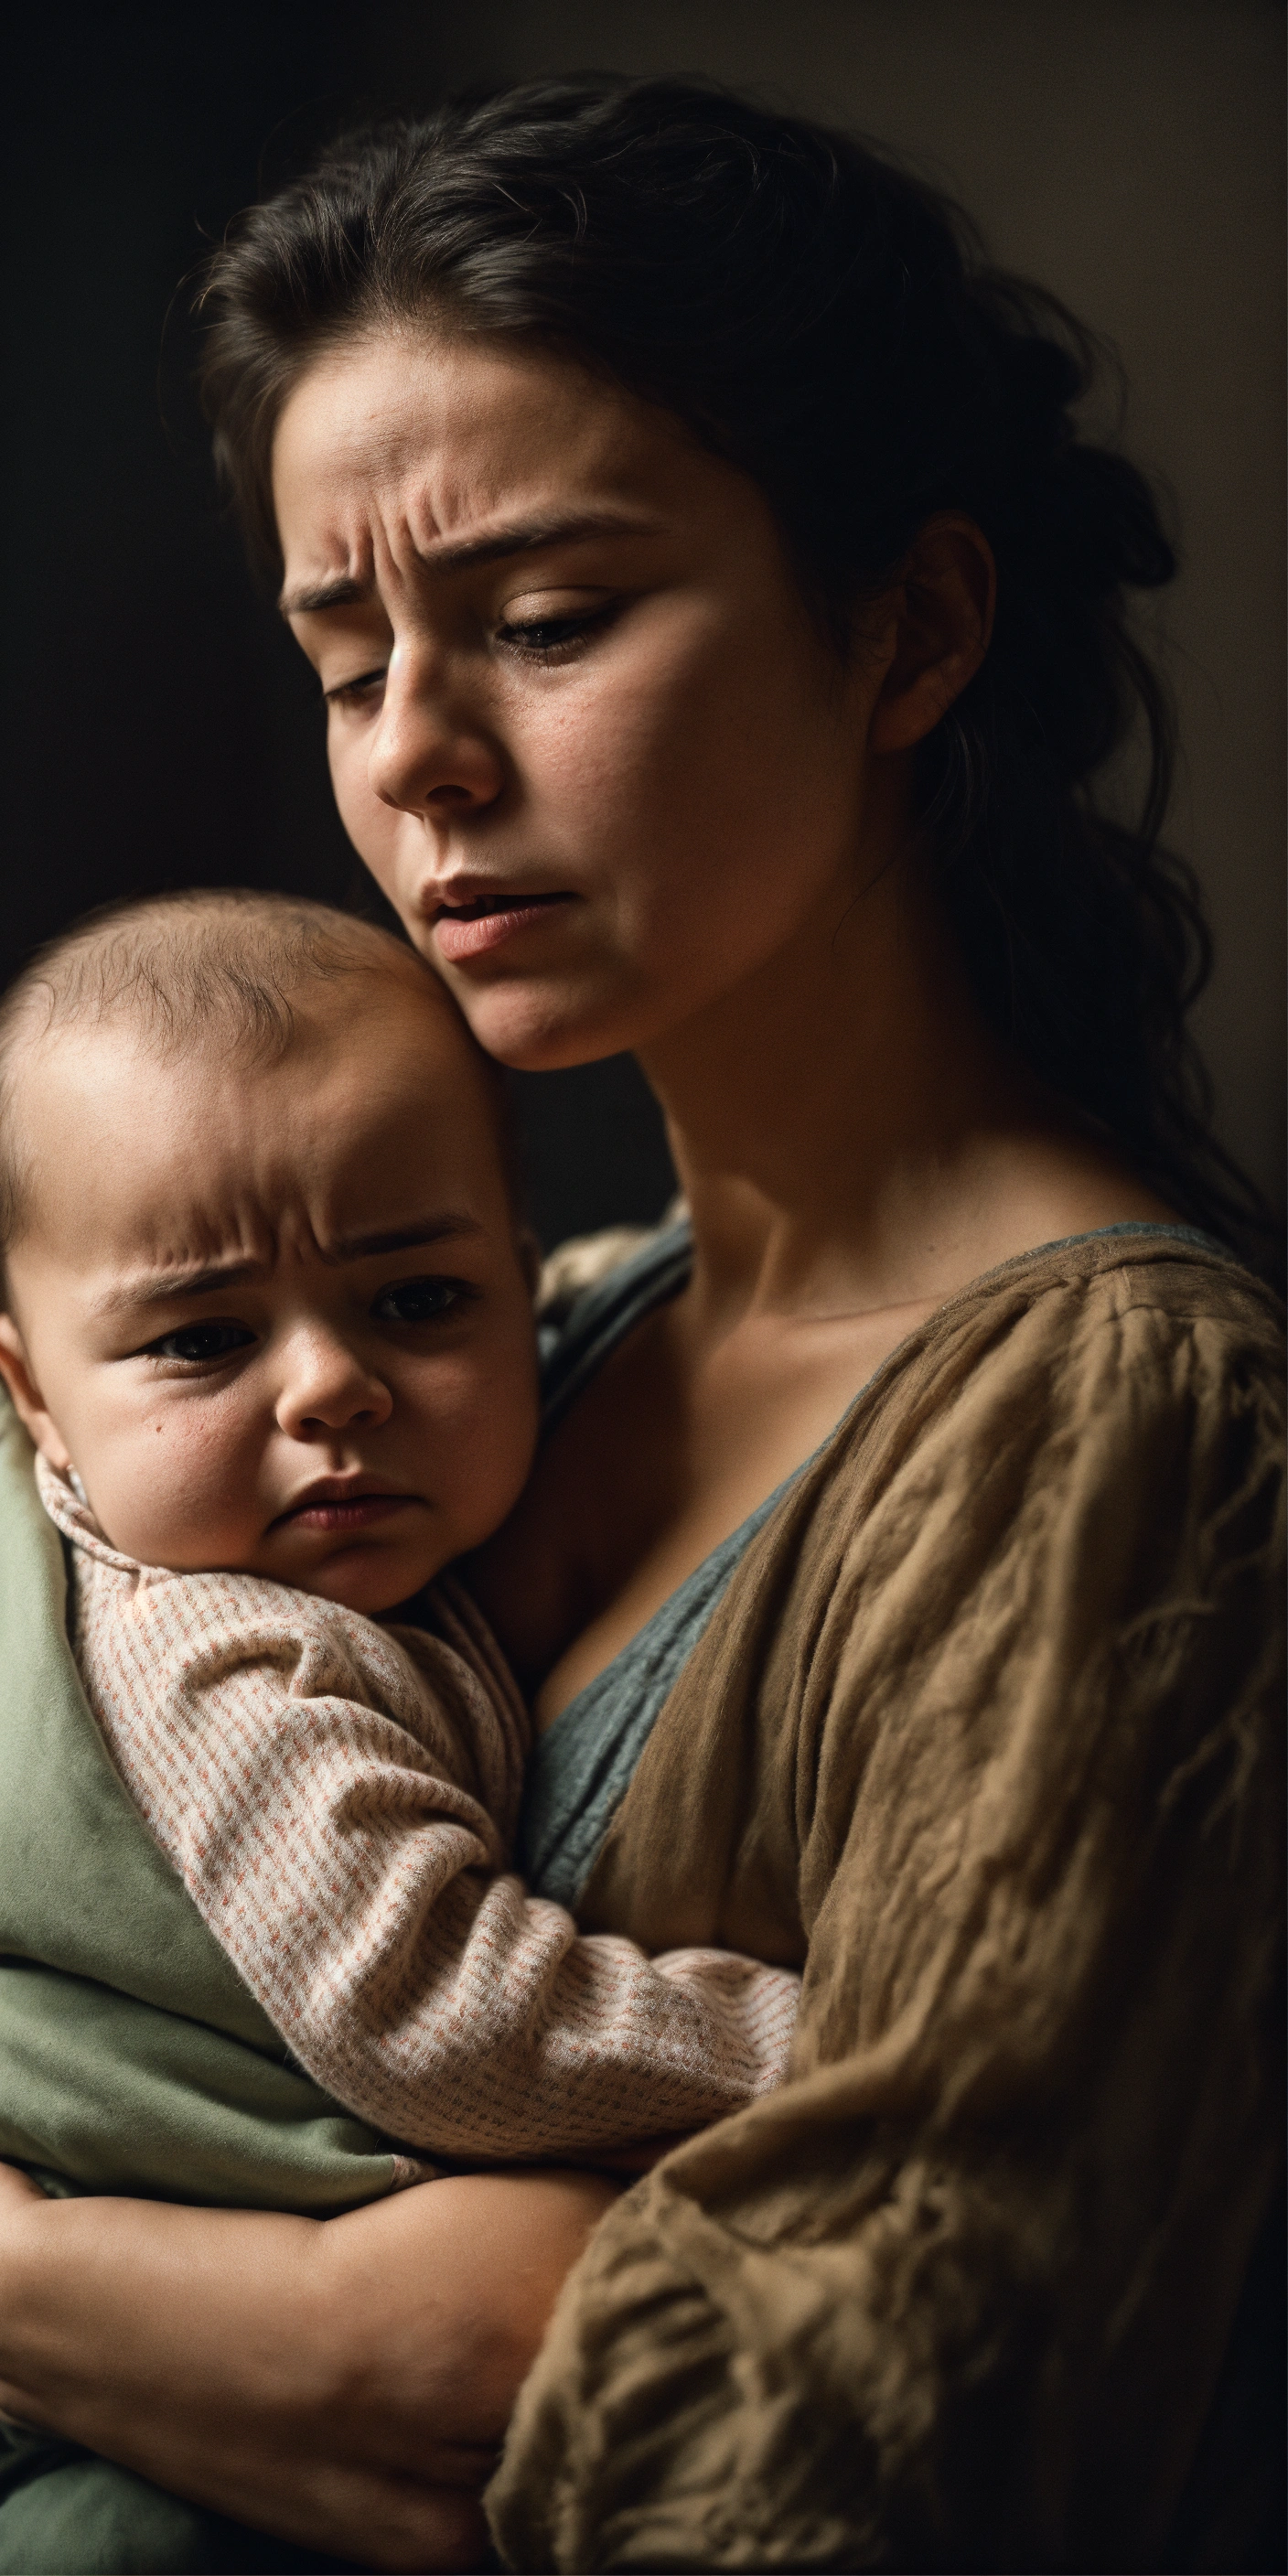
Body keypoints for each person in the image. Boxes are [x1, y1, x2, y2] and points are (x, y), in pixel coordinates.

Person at [0, 72, 1281, 2576]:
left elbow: (866, 2452)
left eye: (547, 622)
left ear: (911, 628)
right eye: (347, 659)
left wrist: (71, 2282)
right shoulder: (547, 1331)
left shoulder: (1119, 1425)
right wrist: (202, 2305)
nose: (416, 758)